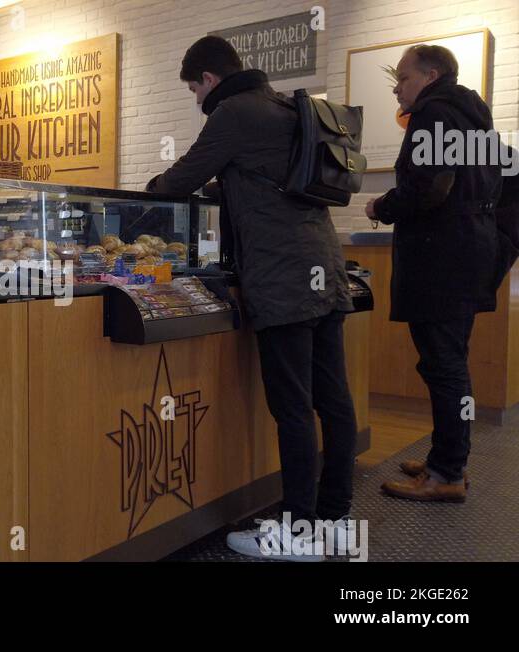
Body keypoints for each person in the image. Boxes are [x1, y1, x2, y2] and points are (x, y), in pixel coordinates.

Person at [147, 36, 356, 561]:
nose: (196, 98)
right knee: (332, 397)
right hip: (323, 268)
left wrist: (148, 188)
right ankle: (332, 515)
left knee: (291, 408)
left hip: (282, 276)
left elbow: (179, 179)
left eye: (194, 88)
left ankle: (298, 533)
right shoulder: (285, 105)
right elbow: (268, 181)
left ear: (208, 79)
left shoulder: (233, 113)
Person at [367, 45, 504, 502]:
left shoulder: (435, 114)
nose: (397, 88)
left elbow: (429, 188)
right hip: (469, 255)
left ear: (430, 74)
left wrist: (380, 206)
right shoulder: (473, 118)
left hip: (441, 259)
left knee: (443, 366)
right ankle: (448, 459)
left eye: (402, 78)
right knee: (450, 364)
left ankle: (446, 475)